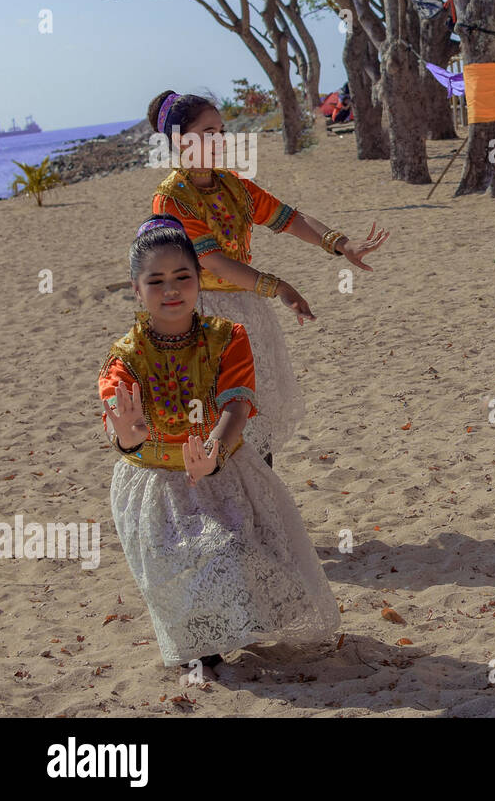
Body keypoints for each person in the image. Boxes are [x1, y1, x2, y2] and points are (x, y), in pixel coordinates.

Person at [99, 216, 340, 680]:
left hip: (224, 468)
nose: (171, 290)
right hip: (153, 484)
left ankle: (229, 629)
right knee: (179, 566)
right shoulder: (124, 357)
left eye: (182, 277)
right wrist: (129, 433)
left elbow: (236, 404)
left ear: (198, 280)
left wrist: (213, 453)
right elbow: (119, 428)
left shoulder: (228, 338)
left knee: (233, 547)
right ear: (136, 288)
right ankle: (201, 647)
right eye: (156, 281)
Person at [148, 90, 390, 462]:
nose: (220, 140)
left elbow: (288, 217)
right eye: (208, 132)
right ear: (180, 139)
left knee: (254, 422)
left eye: (221, 130)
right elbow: (213, 262)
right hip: (202, 319)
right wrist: (278, 287)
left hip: (247, 312)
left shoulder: (232, 184)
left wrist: (341, 244)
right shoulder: (172, 198)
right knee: (219, 421)